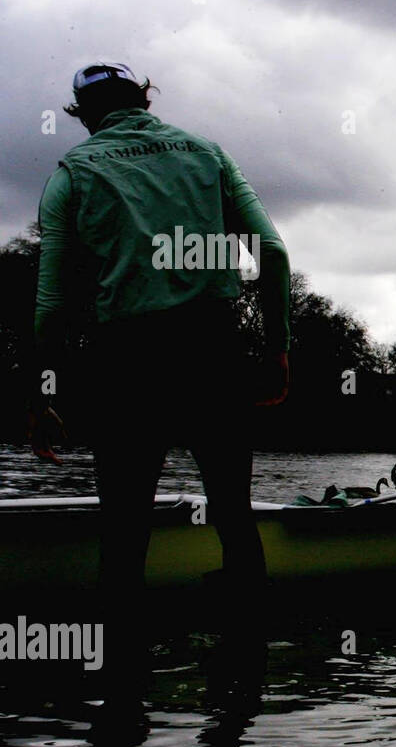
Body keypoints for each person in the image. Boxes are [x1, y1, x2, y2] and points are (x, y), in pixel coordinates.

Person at [27, 62, 291, 606]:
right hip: (213, 352)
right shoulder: (208, 154)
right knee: (234, 515)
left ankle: (121, 672)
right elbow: (273, 253)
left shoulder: (72, 173)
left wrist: (42, 393)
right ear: (144, 99)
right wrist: (276, 348)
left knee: (123, 532)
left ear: (83, 115)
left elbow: (52, 305)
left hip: (127, 360)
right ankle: (245, 672)